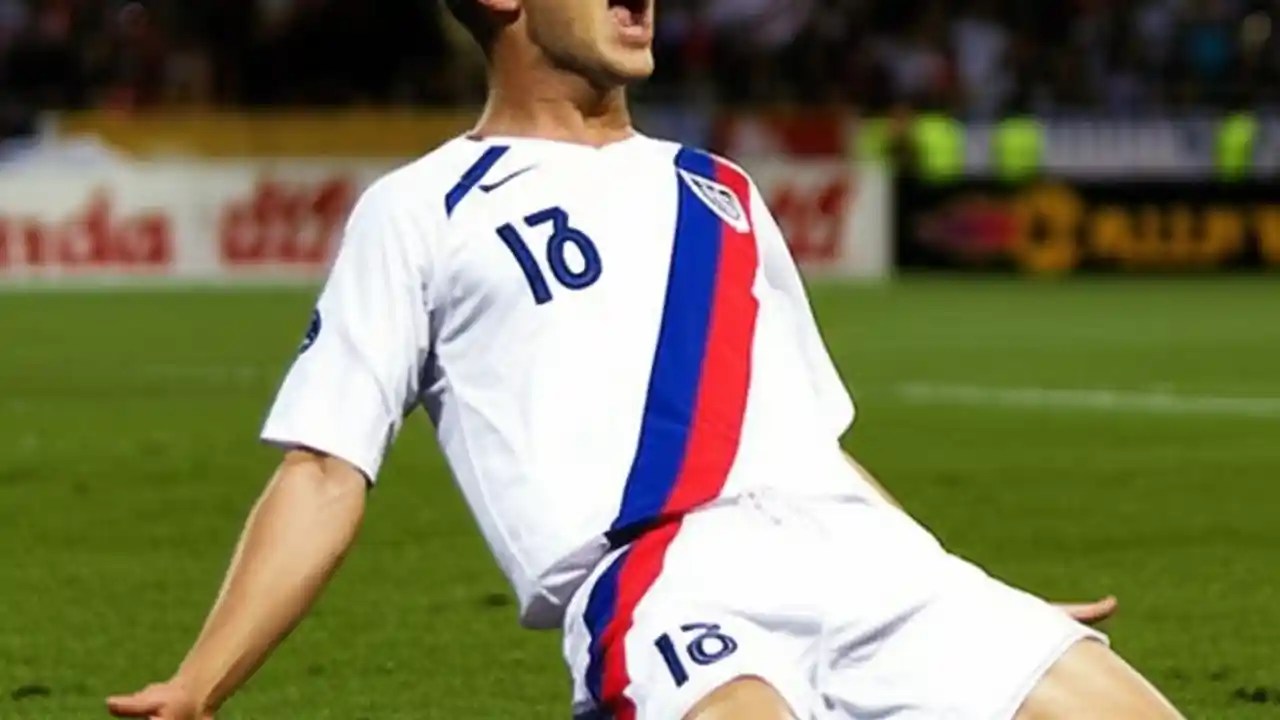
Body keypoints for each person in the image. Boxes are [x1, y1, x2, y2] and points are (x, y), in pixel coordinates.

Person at [107, 1, 1186, 718]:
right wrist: (203, 682)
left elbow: (808, 442)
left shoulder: (718, 188)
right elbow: (325, 466)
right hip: (666, 583)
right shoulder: (420, 210)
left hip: (871, 563)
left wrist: (960, 579)